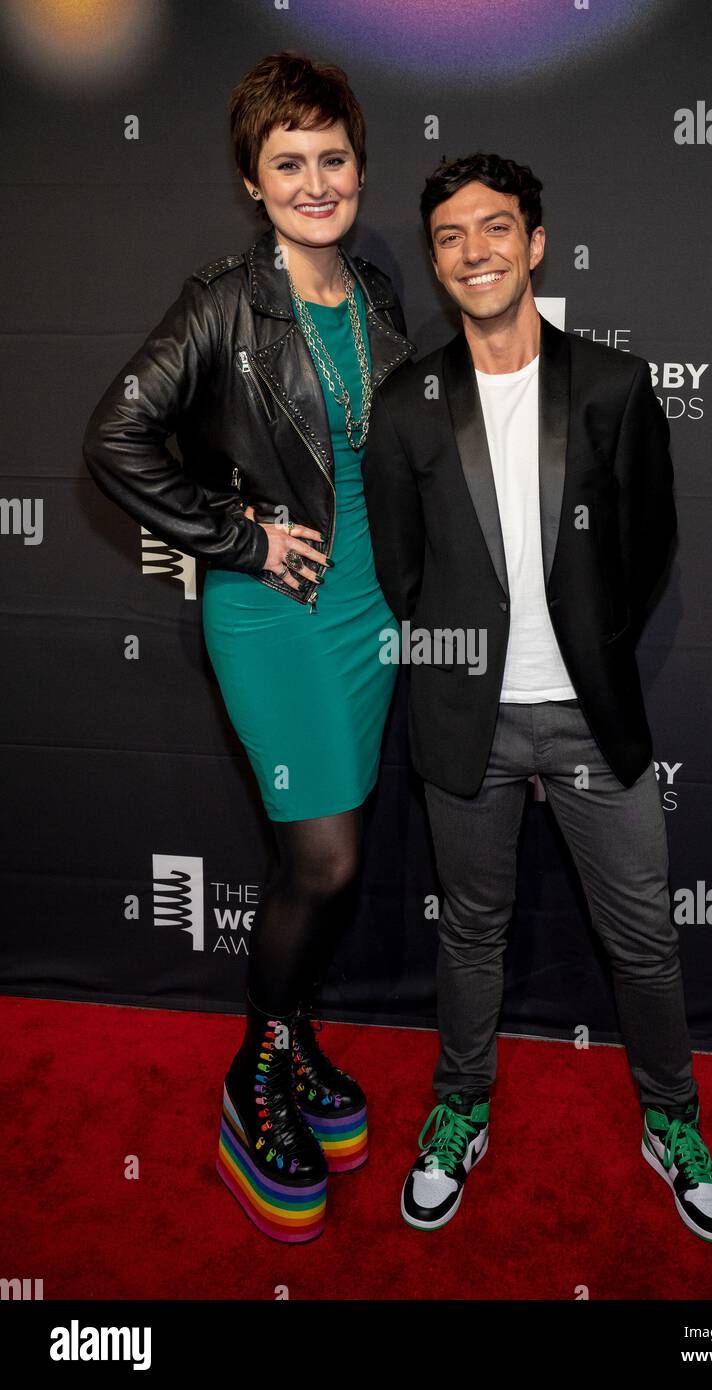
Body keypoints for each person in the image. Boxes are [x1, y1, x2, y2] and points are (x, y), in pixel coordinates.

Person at [361, 152, 712, 1243]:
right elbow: (399, 569)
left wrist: (585, 647)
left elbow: (646, 547)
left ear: (533, 244)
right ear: (434, 262)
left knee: (643, 939)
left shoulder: (614, 387)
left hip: (587, 716)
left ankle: (670, 1120)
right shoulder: (406, 402)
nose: (472, 250)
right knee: (469, 931)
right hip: (463, 723)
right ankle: (458, 1109)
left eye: (494, 229)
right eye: (448, 236)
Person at [82, 52, 414, 1243]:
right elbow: (116, 436)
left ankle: (294, 1038)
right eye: (289, 162)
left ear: (358, 167)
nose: (315, 180)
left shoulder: (376, 296)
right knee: (321, 861)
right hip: (275, 614)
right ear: (251, 180)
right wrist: (237, 536)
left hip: (369, 613)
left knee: (328, 856)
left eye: (332, 157)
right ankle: (248, 1082)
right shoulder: (224, 300)